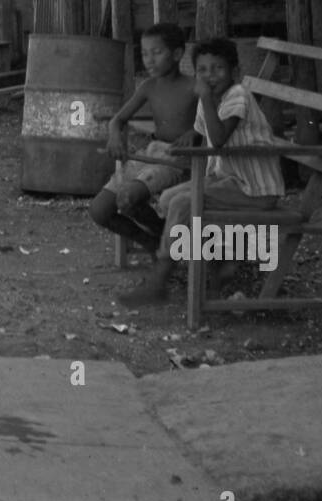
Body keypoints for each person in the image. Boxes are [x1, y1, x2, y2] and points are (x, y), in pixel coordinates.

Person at [120, 37, 285, 306]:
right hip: (228, 183)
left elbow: (218, 139)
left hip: (254, 190)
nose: (210, 76)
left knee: (184, 203)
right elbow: (199, 132)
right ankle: (218, 265)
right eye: (203, 70)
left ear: (236, 72)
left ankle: (161, 280)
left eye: (218, 69)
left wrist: (205, 98)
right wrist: (178, 142)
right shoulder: (207, 100)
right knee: (167, 199)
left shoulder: (238, 96)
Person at [89, 24, 197, 263]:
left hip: (178, 158)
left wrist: (195, 131)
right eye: (145, 53)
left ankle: (169, 242)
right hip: (150, 153)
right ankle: (156, 242)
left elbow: (216, 121)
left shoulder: (194, 87)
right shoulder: (148, 86)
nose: (149, 60)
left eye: (157, 52)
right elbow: (118, 120)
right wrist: (114, 135)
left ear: (178, 54)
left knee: (127, 198)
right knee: (99, 210)